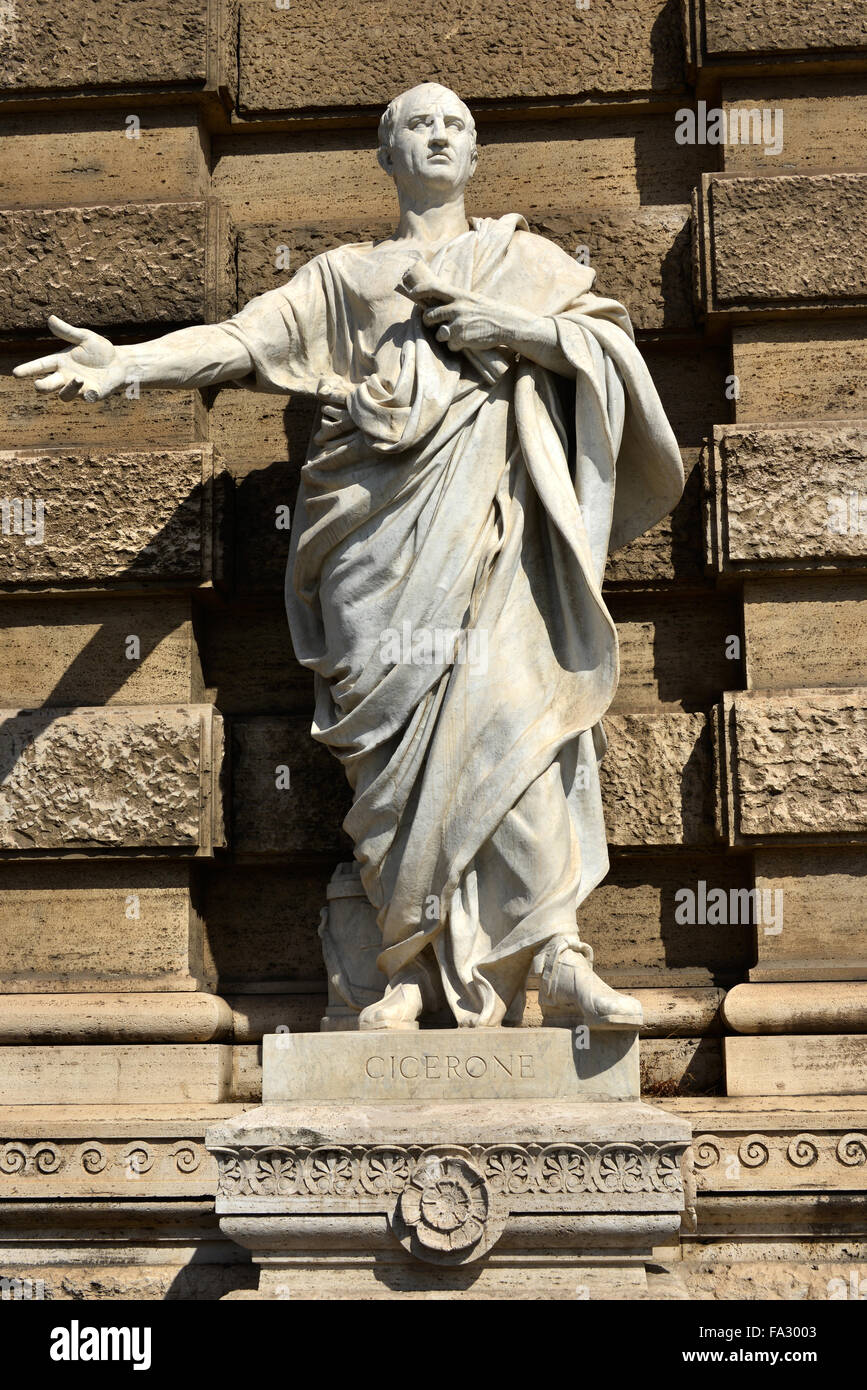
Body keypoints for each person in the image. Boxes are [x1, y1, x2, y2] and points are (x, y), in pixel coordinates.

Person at [14, 83, 684, 1031]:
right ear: (385, 152)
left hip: (494, 535)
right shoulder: (342, 277)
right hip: (371, 542)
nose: (439, 135)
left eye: (455, 124)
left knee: (513, 720)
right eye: (419, 123)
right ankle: (401, 965)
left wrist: (513, 329)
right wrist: (128, 363)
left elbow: (612, 359)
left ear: (476, 151)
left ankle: (553, 950)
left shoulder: (523, 260)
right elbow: (239, 342)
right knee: (388, 761)